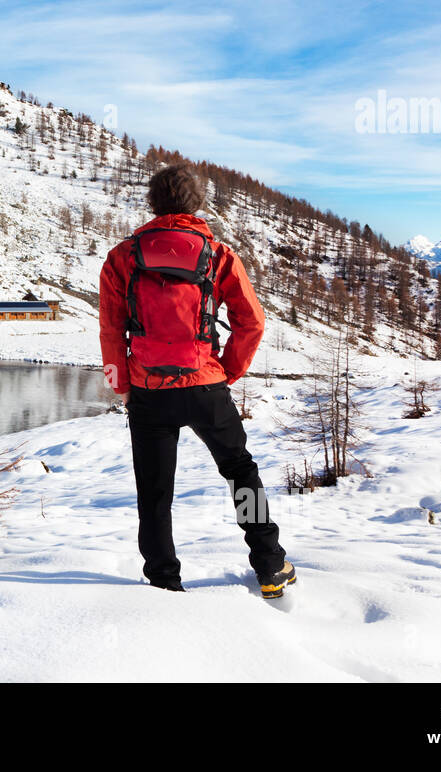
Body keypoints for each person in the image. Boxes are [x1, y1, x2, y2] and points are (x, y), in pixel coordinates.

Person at [98, 163, 295, 598]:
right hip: (206, 386)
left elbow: (113, 330)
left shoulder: (122, 257)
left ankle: (164, 585)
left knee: (154, 492)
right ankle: (270, 564)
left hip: (149, 393)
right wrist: (228, 369)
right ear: (197, 204)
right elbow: (253, 322)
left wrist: (122, 384)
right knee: (240, 473)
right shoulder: (219, 254)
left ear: (152, 204)